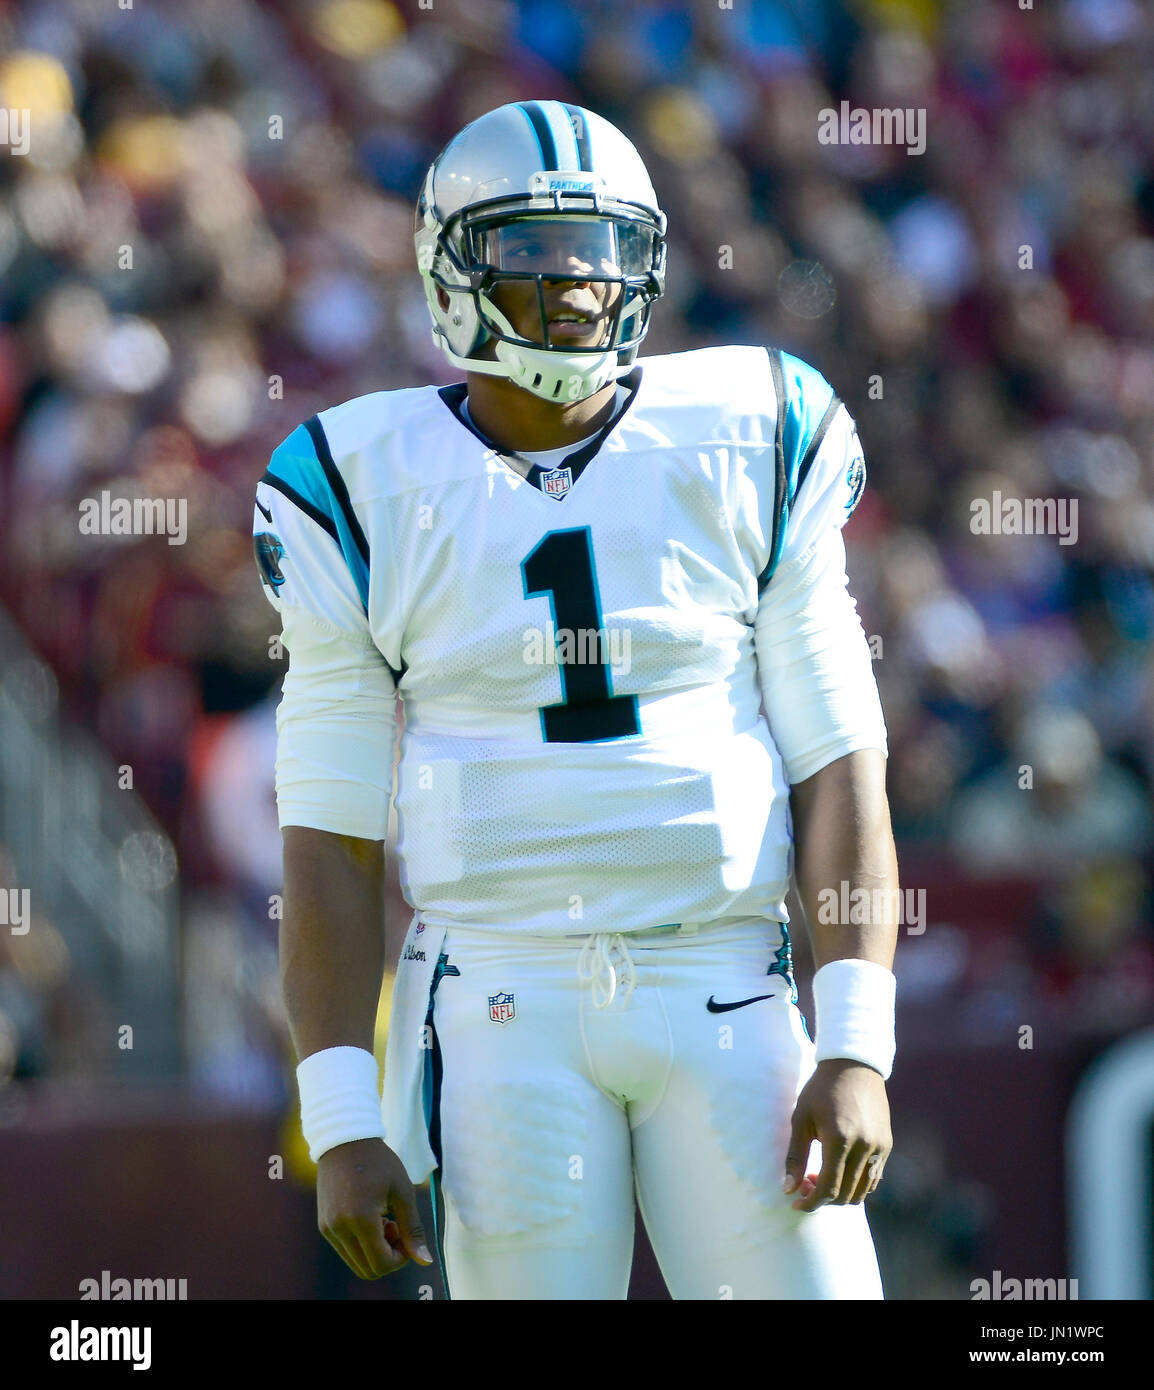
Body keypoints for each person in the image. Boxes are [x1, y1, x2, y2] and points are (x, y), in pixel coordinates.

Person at [253, 100, 899, 1300]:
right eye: (532, 256)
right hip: (501, 1002)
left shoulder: (755, 430)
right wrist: (340, 1116)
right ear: (452, 270)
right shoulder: (352, 486)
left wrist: (856, 1037)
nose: (576, 289)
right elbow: (329, 832)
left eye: (597, 254)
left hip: (727, 978)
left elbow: (837, 761)